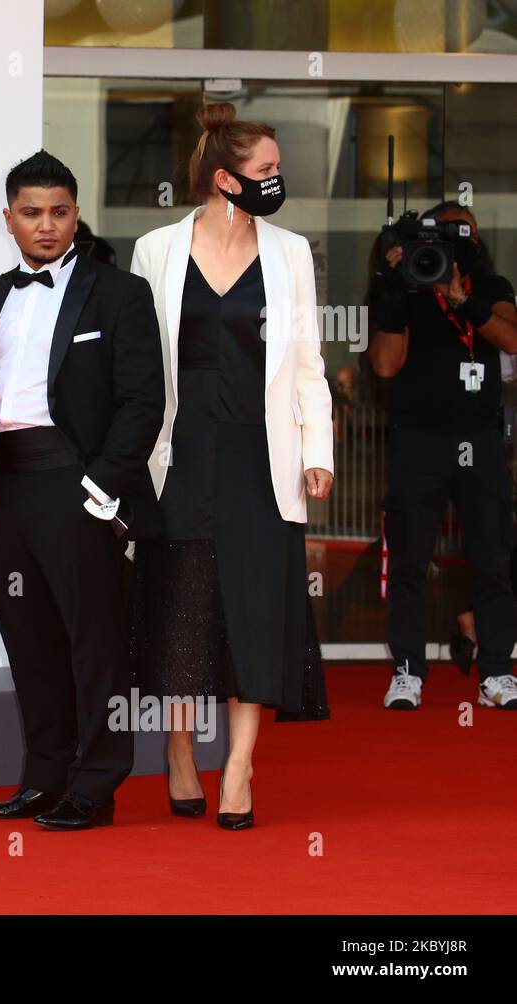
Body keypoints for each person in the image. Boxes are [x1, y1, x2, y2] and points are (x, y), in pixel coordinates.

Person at [129, 102, 334, 831]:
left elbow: (309, 363)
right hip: (180, 453)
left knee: (255, 611)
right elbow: (143, 371)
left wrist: (319, 454)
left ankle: (240, 767)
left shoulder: (290, 252)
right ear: (225, 177)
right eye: (267, 170)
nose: (278, 180)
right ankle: (181, 752)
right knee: (182, 610)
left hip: (260, 452)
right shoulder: (156, 250)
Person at [0, 150, 165, 831]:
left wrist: (98, 487)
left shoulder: (118, 293)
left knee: (94, 644)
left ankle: (97, 785)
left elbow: (143, 403)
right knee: (31, 641)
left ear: (75, 215)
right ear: (9, 220)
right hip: (1, 491)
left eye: (58, 213)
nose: (46, 226)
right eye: (31, 214)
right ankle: (44, 779)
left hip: (75, 486)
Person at [369, 201, 517, 710]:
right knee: (409, 559)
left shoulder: (493, 289)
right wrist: (392, 290)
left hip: (480, 439)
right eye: (451, 234)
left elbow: (513, 340)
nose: (460, 243)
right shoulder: (406, 289)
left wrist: (463, 301)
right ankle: (408, 669)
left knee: (493, 559)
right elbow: (387, 365)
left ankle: (497, 669)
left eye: (468, 233)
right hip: (420, 441)